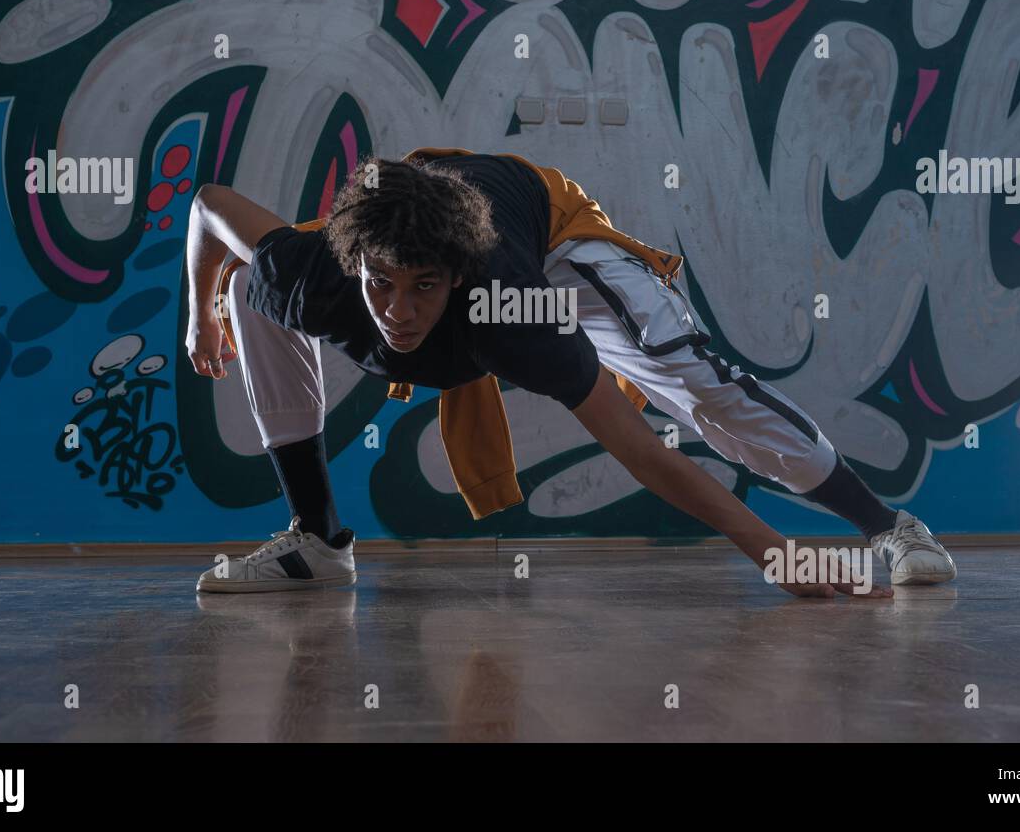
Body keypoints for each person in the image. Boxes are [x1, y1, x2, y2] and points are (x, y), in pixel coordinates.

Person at [183, 149, 956, 599]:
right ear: (352, 266)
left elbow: (643, 450)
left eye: (425, 286)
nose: (400, 312)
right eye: (382, 283)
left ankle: (890, 527)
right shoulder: (308, 272)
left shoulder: (512, 310)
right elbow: (210, 206)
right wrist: (199, 311)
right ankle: (317, 539)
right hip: (413, 204)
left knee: (683, 373)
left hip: (547, 227)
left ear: (457, 278)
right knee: (248, 292)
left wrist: (776, 553)